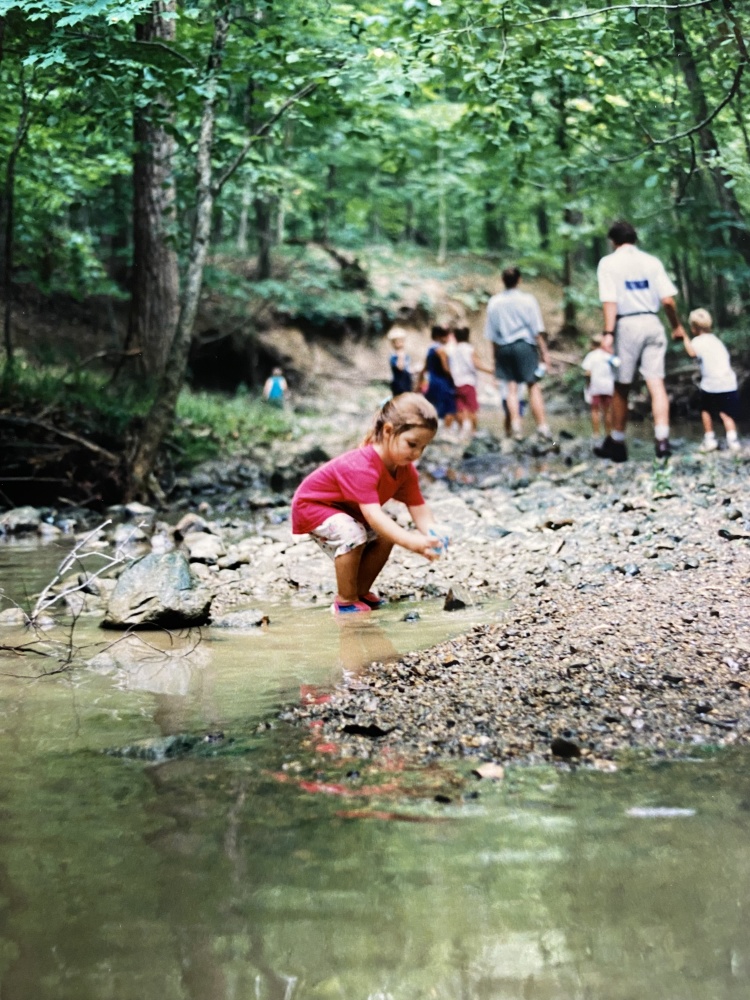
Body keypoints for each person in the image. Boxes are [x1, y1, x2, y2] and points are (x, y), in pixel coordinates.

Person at [291, 393, 444, 615]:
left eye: (423, 447)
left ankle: (359, 592)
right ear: (388, 431)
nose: (417, 453)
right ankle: (345, 601)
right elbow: (373, 515)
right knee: (352, 534)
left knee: (385, 536)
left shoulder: (404, 470)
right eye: (412, 444)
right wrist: (412, 542)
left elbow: (418, 507)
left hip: (345, 510)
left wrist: (433, 534)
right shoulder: (363, 465)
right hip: (313, 506)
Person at [594, 219, 686, 462]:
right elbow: (668, 301)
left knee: (622, 386)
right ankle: (663, 440)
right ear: (634, 239)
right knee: (656, 383)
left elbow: (610, 301)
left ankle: (617, 441)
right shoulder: (651, 262)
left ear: (612, 241)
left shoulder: (608, 263)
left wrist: (608, 333)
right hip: (653, 323)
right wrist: (676, 326)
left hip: (627, 325)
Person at [484, 266, 554, 444]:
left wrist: (494, 359)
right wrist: (544, 353)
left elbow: (492, 335)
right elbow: (537, 329)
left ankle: (516, 427)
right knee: (533, 386)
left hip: (504, 348)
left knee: (511, 388)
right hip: (525, 346)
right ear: (519, 280)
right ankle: (542, 427)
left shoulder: (494, 302)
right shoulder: (528, 300)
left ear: (503, 281)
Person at [676, 307, 742, 453]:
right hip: (728, 382)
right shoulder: (716, 341)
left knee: (705, 409)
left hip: (712, 383)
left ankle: (709, 438)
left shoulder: (698, 341)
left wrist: (684, 337)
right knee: (726, 413)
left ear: (694, 328)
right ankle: (733, 440)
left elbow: (692, 352)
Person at [448, 326, 495, 439]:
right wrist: (491, 371)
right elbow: (476, 363)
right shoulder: (469, 349)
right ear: (467, 336)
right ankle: (473, 431)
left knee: (460, 407)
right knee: (472, 407)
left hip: (456, 382)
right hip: (468, 382)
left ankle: (461, 430)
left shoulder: (453, 350)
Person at [419, 325, 457, 432]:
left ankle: (431, 431)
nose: (447, 338)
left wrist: (418, 385)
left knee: (433, 409)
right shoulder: (441, 351)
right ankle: (447, 432)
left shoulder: (430, 349)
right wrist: (454, 381)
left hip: (431, 383)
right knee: (450, 409)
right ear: (439, 336)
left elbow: (424, 369)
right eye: (445, 336)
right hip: (442, 383)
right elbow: (446, 369)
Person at [581, 332, 616, 437]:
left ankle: (596, 433)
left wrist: (587, 384)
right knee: (607, 410)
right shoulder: (609, 356)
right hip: (608, 386)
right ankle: (608, 433)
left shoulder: (591, 356)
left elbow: (588, 372)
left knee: (595, 410)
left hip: (595, 386)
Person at [387, 327, 413, 397]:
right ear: (393, 343)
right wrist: (400, 356)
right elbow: (400, 367)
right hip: (399, 383)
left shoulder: (406, 355)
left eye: (402, 341)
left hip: (407, 381)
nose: (400, 343)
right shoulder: (393, 356)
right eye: (397, 342)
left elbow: (407, 368)